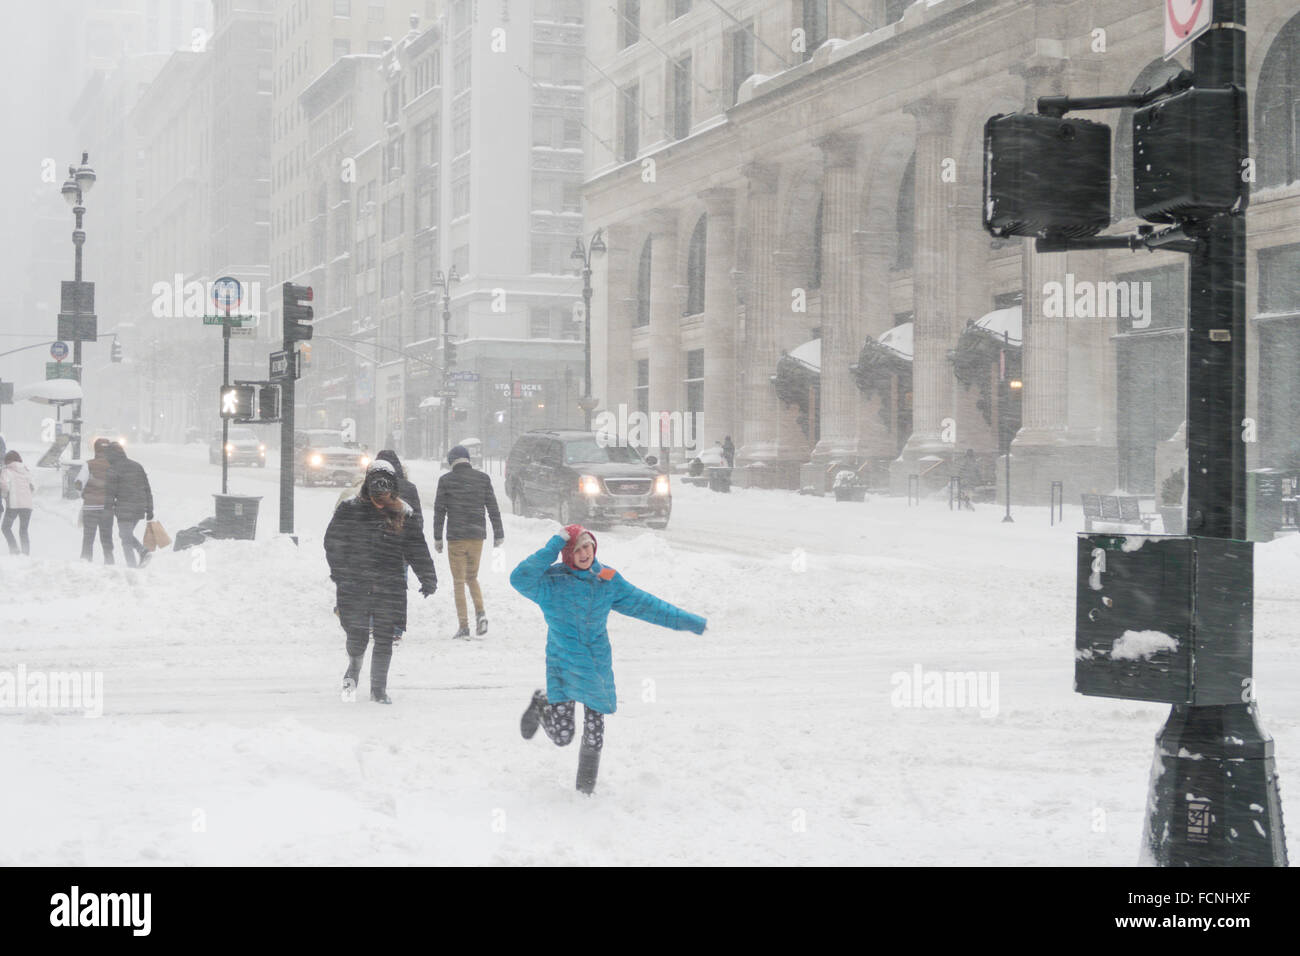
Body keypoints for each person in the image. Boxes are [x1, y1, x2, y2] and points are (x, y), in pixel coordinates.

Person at [511, 524, 707, 794]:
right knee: (562, 736)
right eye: (576, 549)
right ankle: (540, 703)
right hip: (563, 666)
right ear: (567, 554)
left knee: (595, 732)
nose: (583, 553)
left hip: (597, 665)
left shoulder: (606, 580)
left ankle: (585, 792)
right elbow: (519, 578)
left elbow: (645, 604)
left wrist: (688, 622)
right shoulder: (550, 582)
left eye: (587, 546)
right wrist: (555, 544)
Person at [324, 461, 438, 704]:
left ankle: (378, 690)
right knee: (358, 636)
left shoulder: (403, 513)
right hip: (355, 585)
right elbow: (333, 544)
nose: (381, 497)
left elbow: (417, 547)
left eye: (386, 491)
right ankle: (353, 671)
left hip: (390, 585)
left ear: (393, 488)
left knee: (385, 637)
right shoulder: (349, 509)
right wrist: (341, 573)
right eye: (377, 490)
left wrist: (427, 577)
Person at [432, 443, 504, 638]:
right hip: (477, 536)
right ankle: (480, 613)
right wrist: (499, 533)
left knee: (459, 581)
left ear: (451, 462)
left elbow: (439, 511)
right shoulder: (482, 479)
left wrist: (437, 537)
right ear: (468, 460)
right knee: (472, 577)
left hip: (456, 537)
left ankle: (464, 626)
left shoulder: (446, 481)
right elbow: (493, 508)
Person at [105, 442, 154, 567]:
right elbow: (147, 488)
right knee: (125, 534)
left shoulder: (113, 469)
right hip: (139, 507)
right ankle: (142, 552)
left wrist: (107, 509)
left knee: (126, 540)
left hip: (124, 508)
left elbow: (110, 492)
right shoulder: (137, 466)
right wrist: (149, 509)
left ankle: (132, 567)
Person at [78, 438, 116, 564]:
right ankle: (109, 562)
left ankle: (86, 560)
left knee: (88, 536)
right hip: (107, 508)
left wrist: (84, 494)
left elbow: (78, 483)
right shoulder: (113, 465)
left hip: (90, 507)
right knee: (106, 537)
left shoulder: (89, 464)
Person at [1, 451, 35, 555]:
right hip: (27, 506)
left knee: (6, 527)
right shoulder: (26, 470)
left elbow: (4, 485)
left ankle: (14, 549)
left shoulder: (6, 471)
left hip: (14, 505)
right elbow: (33, 486)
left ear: (7, 460)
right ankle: (26, 552)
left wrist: (4, 495)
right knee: (23, 530)